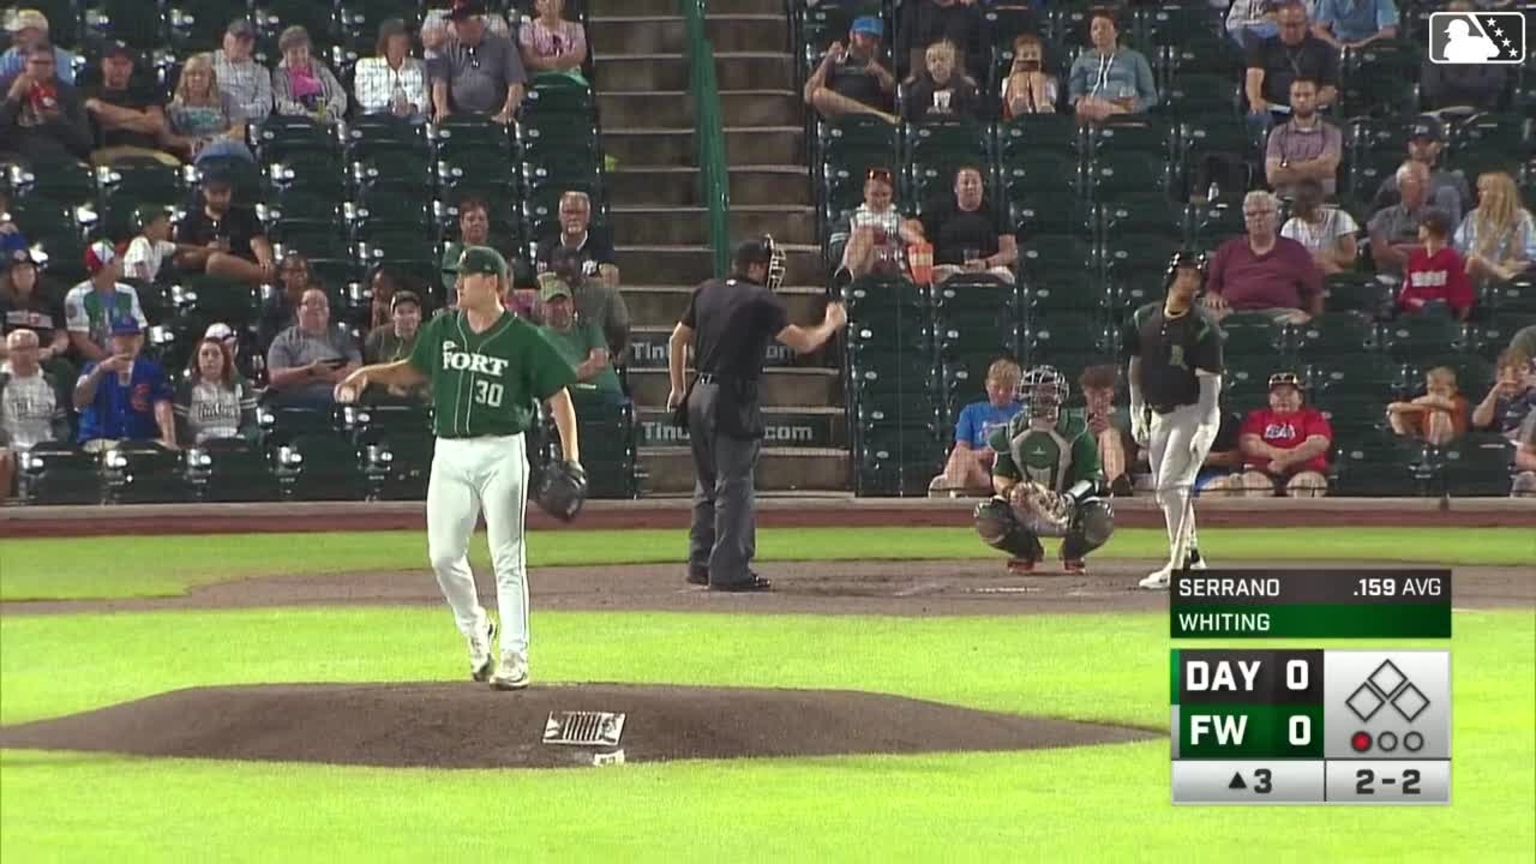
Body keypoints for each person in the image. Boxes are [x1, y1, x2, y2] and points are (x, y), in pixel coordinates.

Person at [335, 246, 582, 691]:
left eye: (466, 276)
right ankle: (475, 628)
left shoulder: (522, 338)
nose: (458, 283)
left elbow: (559, 396)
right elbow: (412, 369)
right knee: (443, 555)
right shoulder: (444, 329)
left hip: (501, 449)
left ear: (493, 282)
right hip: (449, 451)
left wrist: (571, 458)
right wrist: (368, 373)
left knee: (507, 557)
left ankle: (515, 655)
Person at [666, 238, 847, 591]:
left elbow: (677, 340)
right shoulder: (760, 299)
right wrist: (830, 323)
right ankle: (730, 570)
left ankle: (700, 563)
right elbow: (804, 343)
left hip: (698, 396)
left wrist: (677, 389)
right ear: (754, 268)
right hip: (732, 397)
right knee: (734, 486)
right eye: (767, 265)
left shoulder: (706, 290)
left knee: (707, 485)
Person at [1124, 251, 1225, 590]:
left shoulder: (1203, 328)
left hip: (1191, 411)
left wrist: (1207, 427)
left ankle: (1178, 564)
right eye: (1184, 274)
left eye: (1195, 276)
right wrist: (1137, 410)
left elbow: (1211, 385)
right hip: (1159, 414)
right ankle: (1192, 559)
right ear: (1171, 275)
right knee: (1170, 492)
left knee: (1171, 485)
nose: (1189, 281)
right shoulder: (1143, 318)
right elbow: (1135, 368)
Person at [973, 366, 1115, 574]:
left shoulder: (1076, 429)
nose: (1044, 398)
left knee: (1101, 518)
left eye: (1049, 392)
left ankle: (1072, 551)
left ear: (1059, 395)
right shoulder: (1012, 430)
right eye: (1039, 392)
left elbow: (1091, 479)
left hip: (1068, 509)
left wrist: (1067, 499)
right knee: (987, 517)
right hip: (1024, 507)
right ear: (1027, 395)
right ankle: (1026, 550)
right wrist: (1011, 492)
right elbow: (1000, 475)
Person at [73, 318, 176, 452]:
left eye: (132, 338)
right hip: (101, 440)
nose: (126, 344)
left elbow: (162, 405)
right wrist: (100, 371)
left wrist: (169, 440)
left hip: (140, 442)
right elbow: (79, 403)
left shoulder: (151, 370)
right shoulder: (93, 367)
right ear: (110, 341)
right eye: (121, 338)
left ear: (140, 341)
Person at [930, 357, 1023, 496]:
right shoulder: (971, 412)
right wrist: (982, 454)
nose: (1002, 393)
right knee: (960, 455)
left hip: (1009, 476)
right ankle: (953, 490)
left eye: (1008, 389)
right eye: (997, 387)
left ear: (1017, 390)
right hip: (980, 473)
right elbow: (962, 448)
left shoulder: (1022, 414)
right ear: (987, 385)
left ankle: (950, 487)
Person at [0, 328, 72, 497]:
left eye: (29, 348)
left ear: (37, 351)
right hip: (9, 451)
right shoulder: (2, 382)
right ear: (9, 352)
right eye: (18, 349)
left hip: (45, 448)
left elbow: (61, 421)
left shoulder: (50, 381)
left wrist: (57, 442)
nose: (24, 354)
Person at [429, 0, 527, 124]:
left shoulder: (504, 46)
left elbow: (516, 85)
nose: (456, 27)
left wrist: (506, 112)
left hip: (495, 116)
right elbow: (439, 84)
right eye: (455, 22)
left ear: (479, 22)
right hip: (458, 118)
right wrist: (441, 109)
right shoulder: (447, 49)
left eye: (462, 22)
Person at [82, 42, 179, 168]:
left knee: (173, 165)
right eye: (114, 63)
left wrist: (112, 119)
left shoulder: (145, 93)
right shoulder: (88, 92)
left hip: (147, 152)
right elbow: (98, 110)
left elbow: (156, 123)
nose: (119, 69)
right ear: (103, 64)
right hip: (107, 152)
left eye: (124, 64)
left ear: (131, 67)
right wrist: (142, 118)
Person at [1236, 372, 1333, 497]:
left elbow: (1318, 443)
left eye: (1289, 394)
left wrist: (1286, 460)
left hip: (1306, 469)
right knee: (1251, 487)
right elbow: (1248, 443)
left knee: (1304, 486)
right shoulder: (1256, 417)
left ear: (1300, 399)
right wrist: (1275, 453)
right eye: (1278, 394)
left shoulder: (1313, 417)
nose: (1283, 398)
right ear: (1270, 399)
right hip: (1263, 471)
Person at [264, 288, 361, 407]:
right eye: (309, 303)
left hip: (338, 393)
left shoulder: (342, 337)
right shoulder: (284, 340)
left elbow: (356, 367)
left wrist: (329, 377)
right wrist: (310, 371)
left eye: (321, 304)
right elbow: (276, 377)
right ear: (298, 311)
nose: (316, 307)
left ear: (328, 312)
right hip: (298, 399)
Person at [175, 174, 276, 285]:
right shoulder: (191, 219)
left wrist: (266, 262)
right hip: (203, 278)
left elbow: (258, 242)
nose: (219, 198)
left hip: (243, 271)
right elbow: (183, 259)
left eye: (224, 193)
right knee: (216, 261)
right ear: (204, 191)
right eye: (214, 193)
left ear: (230, 191)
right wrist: (206, 252)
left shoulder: (245, 215)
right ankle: (262, 276)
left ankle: (263, 274)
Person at [922, 165, 1016, 285]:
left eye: (975, 182)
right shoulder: (939, 211)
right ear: (956, 188)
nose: (970, 186)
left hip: (989, 268)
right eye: (965, 183)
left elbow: (1010, 252)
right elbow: (912, 228)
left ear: (982, 187)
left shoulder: (997, 212)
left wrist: (986, 263)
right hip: (949, 267)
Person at [536, 273, 622, 402]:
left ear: (572, 305)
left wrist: (568, 375)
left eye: (564, 302)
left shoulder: (590, 328)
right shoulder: (539, 336)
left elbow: (599, 361)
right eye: (553, 303)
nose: (560, 307)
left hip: (609, 396)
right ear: (543, 309)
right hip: (574, 401)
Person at [0, 44, 92, 162]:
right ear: (26, 65)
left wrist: (58, 120)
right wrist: (13, 98)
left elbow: (84, 143)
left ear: (54, 67)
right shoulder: (6, 89)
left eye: (47, 63)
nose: (41, 68)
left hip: (58, 157)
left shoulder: (69, 93)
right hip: (15, 157)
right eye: (36, 63)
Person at [63, 241, 149, 364]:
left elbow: (140, 331)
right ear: (105, 266)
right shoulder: (78, 295)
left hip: (130, 359)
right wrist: (110, 362)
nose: (122, 261)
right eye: (116, 259)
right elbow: (81, 341)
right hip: (95, 363)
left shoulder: (129, 292)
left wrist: (129, 358)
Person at [162, 52, 254, 165]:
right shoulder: (173, 107)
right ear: (184, 78)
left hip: (228, 147)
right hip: (197, 153)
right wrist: (188, 142)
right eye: (192, 74)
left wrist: (215, 141)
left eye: (202, 74)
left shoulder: (227, 99)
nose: (197, 78)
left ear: (211, 77)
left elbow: (239, 130)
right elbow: (167, 139)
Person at [1066, 8, 1158, 122]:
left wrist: (1135, 107)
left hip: (1124, 111)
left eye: (1104, 27)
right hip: (1091, 111)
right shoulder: (1082, 61)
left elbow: (1151, 97)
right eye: (1095, 28)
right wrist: (1079, 102)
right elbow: (1074, 95)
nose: (1099, 31)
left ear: (1116, 32)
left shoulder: (1136, 59)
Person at [802, 15, 898, 123]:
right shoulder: (835, 59)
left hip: (872, 124)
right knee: (818, 95)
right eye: (866, 36)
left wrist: (880, 72)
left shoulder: (881, 61)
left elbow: (894, 91)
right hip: (840, 122)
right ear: (852, 35)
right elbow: (808, 95)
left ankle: (877, 115)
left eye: (875, 38)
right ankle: (878, 115)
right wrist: (827, 61)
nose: (871, 42)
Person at [1454, 171, 1536, 282]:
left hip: (1513, 273)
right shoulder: (1472, 217)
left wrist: (1518, 263)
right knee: (1474, 261)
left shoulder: (1522, 218)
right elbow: (1458, 250)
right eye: (1479, 190)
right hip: (1479, 271)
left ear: (1500, 193)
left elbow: (1531, 255)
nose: (1479, 194)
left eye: (1484, 190)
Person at [174, 337, 257, 444]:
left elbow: (252, 426)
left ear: (225, 359)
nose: (210, 359)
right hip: (199, 448)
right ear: (197, 360)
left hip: (235, 446)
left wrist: (242, 438)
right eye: (205, 354)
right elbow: (179, 428)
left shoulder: (241, 386)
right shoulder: (186, 388)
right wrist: (197, 438)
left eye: (215, 354)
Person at [1399, 209, 1474, 320]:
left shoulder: (1450, 257)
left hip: (1441, 320)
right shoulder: (1415, 258)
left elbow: (1463, 303)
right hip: (1416, 319)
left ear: (1427, 229)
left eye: (1421, 226)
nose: (1419, 229)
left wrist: (1455, 328)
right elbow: (1405, 297)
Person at [352, 19, 430, 123]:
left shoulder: (419, 66)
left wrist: (412, 107)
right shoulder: (365, 66)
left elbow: (425, 101)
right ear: (387, 41)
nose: (404, 39)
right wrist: (390, 105)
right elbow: (364, 98)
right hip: (378, 120)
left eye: (405, 35)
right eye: (398, 35)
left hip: (411, 121)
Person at [0, 249, 68, 366]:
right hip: (11, 357)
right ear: (10, 276)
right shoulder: (2, 300)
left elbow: (61, 336)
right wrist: (19, 354)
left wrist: (51, 350)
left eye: (28, 268)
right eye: (18, 270)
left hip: (44, 356)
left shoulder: (52, 296)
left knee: (64, 368)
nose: (24, 274)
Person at [271, 26, 348, 125]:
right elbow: (281, 104)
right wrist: (306, 116)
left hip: (328, 120)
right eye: (294, 52)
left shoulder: (321, 68)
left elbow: (340, 96)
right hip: (298, 124)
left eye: (303, 51)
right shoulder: (279, 75)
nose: (299, 56)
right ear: (285, 54)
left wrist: (329, 113)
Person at [1280, 178, 1359, 274]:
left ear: (1320, 202)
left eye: (1311, 211)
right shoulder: (1290, 227)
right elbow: (1285, 260)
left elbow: (1350, 256)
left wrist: (1325, 258)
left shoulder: (1340, 219)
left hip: (1336, 273)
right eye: (1304, 215)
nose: (1308, 217)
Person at [901, 39, 979, 124]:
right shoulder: (918, 88)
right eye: (933, 60)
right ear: (928, 66)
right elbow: (912, 118)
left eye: (942, 59)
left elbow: (969, 117)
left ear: (952, 63)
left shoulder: (964, 87)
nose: (938, 64)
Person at [1388, 366, 1469, 446]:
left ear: (1454, 389)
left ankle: (1438, 449)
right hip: (1427, 443)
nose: (1435, 394)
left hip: (1454, 444)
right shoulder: (1426, 407)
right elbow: (1393, 407)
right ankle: (1404, 444)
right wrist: (1424, 407)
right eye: (1431, 390)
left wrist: (1429, 405)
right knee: (1395, 415)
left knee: (1440, 412)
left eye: (1441, 390)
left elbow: (1435, 401)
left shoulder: (1459, 402)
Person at [213, 18, 272, 125]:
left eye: (232, 44)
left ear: (249, 46)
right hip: (212, 122)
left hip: (244, 127)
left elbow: (264, 108)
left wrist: (237, 112)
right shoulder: (211, 63)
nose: (226, 47)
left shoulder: (261, 73)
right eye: (226, 42)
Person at [1470, 349, 1535, 441]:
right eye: (1515, 370)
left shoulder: (1533, 396)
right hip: (1495, 447)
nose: (1520, 373)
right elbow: (1478, 422)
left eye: (1524, 368)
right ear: (1503, 373)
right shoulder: (1494, 395)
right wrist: (1495, 392)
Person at [518, 0, 588, 76]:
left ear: (561, 4)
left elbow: (579, 55)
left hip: (572, 79)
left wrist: (550, 63)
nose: (549, 2)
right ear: (536, 5)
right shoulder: (527, 29)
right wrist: (557, 64)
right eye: (544, 0)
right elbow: (528, 58)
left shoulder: (576, 28)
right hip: (539, 80)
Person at [1000, 33, 1059, 117]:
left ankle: (1042, 105)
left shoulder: (1049, 79)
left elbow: (1053, 97)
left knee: (1038, 78)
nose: (1030, 58)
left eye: (1034, 54)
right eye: (1025, 55)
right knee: (1019, 78)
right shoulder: (1008, 80)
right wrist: (1014, 73)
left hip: (1042, 114)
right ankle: (1020, 101)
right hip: (1014, 116)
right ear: (1017, 58)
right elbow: (1005, 97)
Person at [122, 206, 185, 283]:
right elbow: (140, 267)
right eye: (163, 222)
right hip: (137, 288)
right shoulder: (140, 243)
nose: (168, 225)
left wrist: (203, 250)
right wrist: (151, 287)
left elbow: (178, 248)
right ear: (147, 227)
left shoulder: (158, 244)